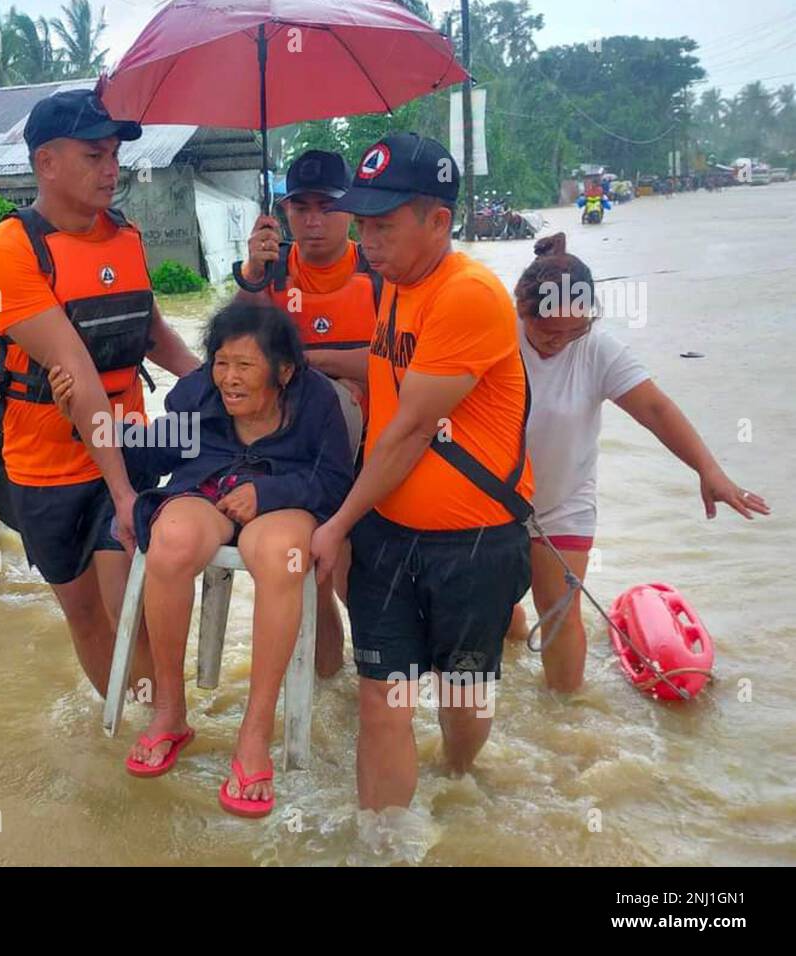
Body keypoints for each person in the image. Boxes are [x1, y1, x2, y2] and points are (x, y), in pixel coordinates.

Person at [49, 302, 353, 817]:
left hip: (284, 503)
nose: (229, 379)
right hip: (207, 491)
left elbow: (334, 481)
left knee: (281, 554)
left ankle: (254, 736)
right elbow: (148, 455)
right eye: (221, 362)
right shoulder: (199, 397)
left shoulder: (317, 402)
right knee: (170, 539)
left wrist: (270, 491)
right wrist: (79, 419)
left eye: (245, 366)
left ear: (283, 371)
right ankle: (170, 711)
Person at [311, 133, 533, 811]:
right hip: (388, 535)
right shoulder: (398, 288)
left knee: (461, 700)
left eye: (384, 225)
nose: (367, 241)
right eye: (363, 224)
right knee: (384, 700)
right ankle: (381, 849)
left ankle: (458, 784)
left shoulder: (468, 295)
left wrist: (337, 523)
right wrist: (294, 357)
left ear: (438, 220)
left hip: (472, 547)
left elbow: (409, 430)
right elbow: (383, 369)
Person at [0, 89, 201, 696]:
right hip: (43, 470)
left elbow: (154, 335)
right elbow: (71, 367)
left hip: (123, 453)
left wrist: (221, 387)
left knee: (132, 601)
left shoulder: (125, 237)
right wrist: (123, 490)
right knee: (84, 614)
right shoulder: (9, 249)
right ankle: (121, 726)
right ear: (46, 163)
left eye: (115, 155)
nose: (112, 169)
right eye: (94, 155)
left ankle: (163, 723)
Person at [505, 233, 770, 691]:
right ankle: (508, 641)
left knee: (561, 614)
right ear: (522, 311)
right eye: (548, 332)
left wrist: (709, 470)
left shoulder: (598, 350)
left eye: (576, 331)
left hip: (564, 503)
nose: (561, 342)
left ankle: (565, 718)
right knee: (492, 611)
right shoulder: (494, 335)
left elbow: (656, 409)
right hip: (494, 503)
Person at [237, 149, 379, 679]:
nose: (314, 221)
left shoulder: (380, 269)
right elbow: (235, 357)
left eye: (327, 206)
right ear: (285, 212)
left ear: (352, 209)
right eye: (301, 208)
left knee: (359, 579)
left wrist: (309, 361)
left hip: (374, 451)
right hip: (295, 455)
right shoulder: (270, 275)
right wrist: (252, 272)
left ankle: (375, 679)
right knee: (314, 578)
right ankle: (329, 690)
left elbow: (406, 359)